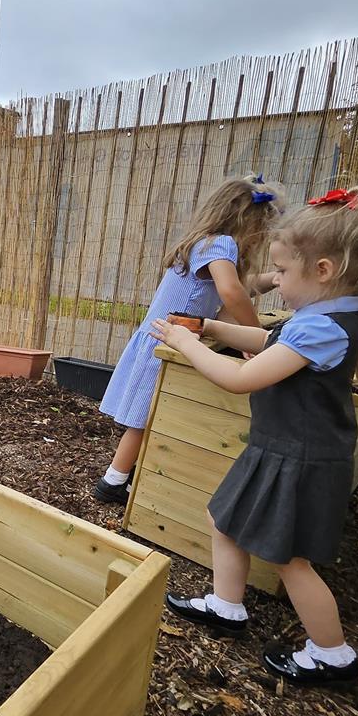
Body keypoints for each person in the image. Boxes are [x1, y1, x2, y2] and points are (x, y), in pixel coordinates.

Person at [150, 184, 358, 686]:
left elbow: (241, 379)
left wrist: (182, 343)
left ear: (323, 270)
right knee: (226, 521)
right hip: (280, 449)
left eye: (282, 272)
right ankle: (226, 605)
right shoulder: (323, 316)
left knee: (289, 562)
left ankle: (334, 655)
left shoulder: (325, 328)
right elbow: (270, 340)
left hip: (300, 459)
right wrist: (210, 329)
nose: (276, 282)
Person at [92, 175, 281, 505]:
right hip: (164, 343)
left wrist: (276, 279)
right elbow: (232, 291)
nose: (259, 240)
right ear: (246, 221)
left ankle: (124, 473)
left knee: (148, 417)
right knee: (145, 419)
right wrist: (257, 337)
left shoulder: (209, 245)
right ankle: (112, 482)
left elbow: (243, 285)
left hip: (167, 339)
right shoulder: (220, 243)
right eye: (260, 230)